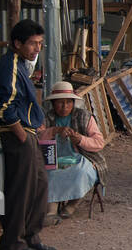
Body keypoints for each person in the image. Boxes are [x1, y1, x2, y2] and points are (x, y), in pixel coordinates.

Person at [0, 19, 53, 250]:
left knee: (39, 185)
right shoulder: (10, 66)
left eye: (40, 44)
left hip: (29, 133)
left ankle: (30, 235)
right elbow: (2, 108)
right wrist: (21, 135)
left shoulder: (20, 64)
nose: (37, 48)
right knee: (21, 190)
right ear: (17, 43)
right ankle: (12, 241)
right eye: (33, 44)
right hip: (19, 136)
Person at [38, 80, 105, 219]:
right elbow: (37, 138)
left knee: (81, 172)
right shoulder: (46, 118)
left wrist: (80, 139)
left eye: (68, 102)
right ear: (53, 104)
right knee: (50, 173)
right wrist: (54, 130)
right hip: (54, 159)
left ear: (73, 103)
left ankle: (73, 204)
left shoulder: (84, 116)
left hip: (82, 158)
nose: (64, 106)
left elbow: (99, 143)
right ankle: (52, 207)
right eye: (60, 103)